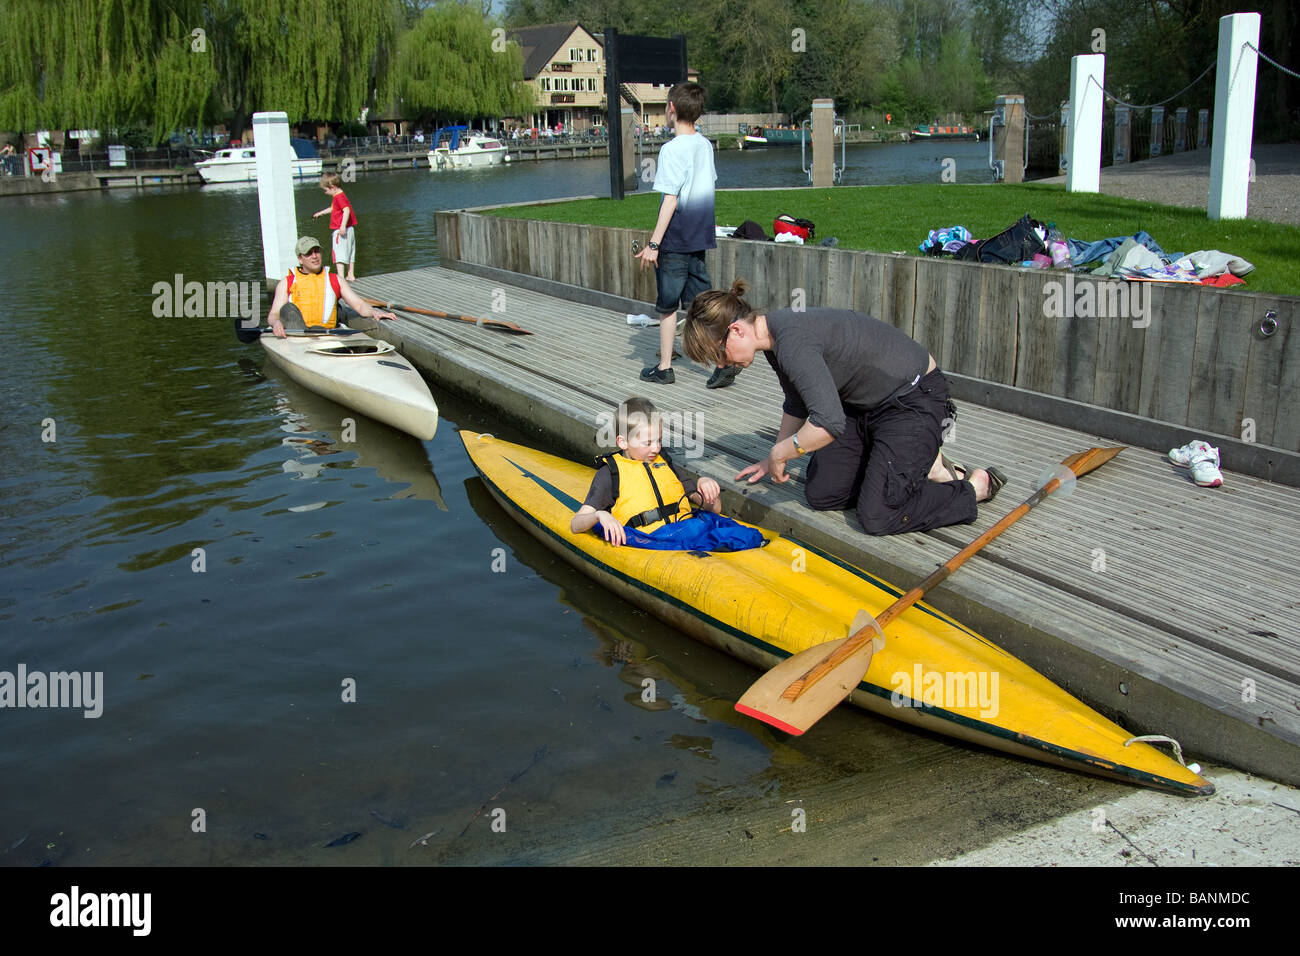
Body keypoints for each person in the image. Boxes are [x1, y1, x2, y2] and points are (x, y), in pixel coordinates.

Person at [681, 279, 1007, 537]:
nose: (724, 365)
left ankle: (969, 487)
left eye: (720, 355)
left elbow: (827, 422)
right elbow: (796, 402)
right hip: (861, 407)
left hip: (912, 400)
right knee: (823, 494)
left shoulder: (792, 341)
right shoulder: (773, 338)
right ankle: (903, 463)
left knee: (878, 514)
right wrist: (772, 455)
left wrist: (784, 452)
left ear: (736, 329)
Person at [633, 82, 738, 390]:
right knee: (701, 306)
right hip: (700, 236)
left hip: (676, 239)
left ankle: (665, 367)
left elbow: (671, 200)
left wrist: (653, 244)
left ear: (672, 109)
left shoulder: (671, 150)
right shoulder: (705, 146)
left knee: (667, 305)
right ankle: (723, 363)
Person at [571, 397, 752, 551]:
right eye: (648, 442)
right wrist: (599, 516)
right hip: (650, 544)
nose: (656, 448)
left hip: (689, 534)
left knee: (747, 537)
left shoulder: (665, 462)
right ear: (623, 442)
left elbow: (715, 509)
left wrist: (706, 487)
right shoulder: (610, 474)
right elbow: (576, 524)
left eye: (658, 440)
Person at [266, 236, 396, 338]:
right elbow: (273, 314)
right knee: (287, 309)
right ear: (300, 259)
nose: (315, 256)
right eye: (308, 253)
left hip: (326, 334)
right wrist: (276, 323)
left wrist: (374, 312)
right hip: (297, 336)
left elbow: (359, 305)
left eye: (317, 251)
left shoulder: (335, 280)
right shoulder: (286, 283)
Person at [312, 171, 359, 282]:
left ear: (332, 187)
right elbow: (333, 208)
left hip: (341, 230)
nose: (325, 192)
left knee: (339, 253)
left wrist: (342, 226)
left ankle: (341, 277)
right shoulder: (340, 195)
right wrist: (320, 213)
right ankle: (351, 274)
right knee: (350, 251)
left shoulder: (338, 197)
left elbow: (346, 210)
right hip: (350, 229)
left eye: (326, 190)